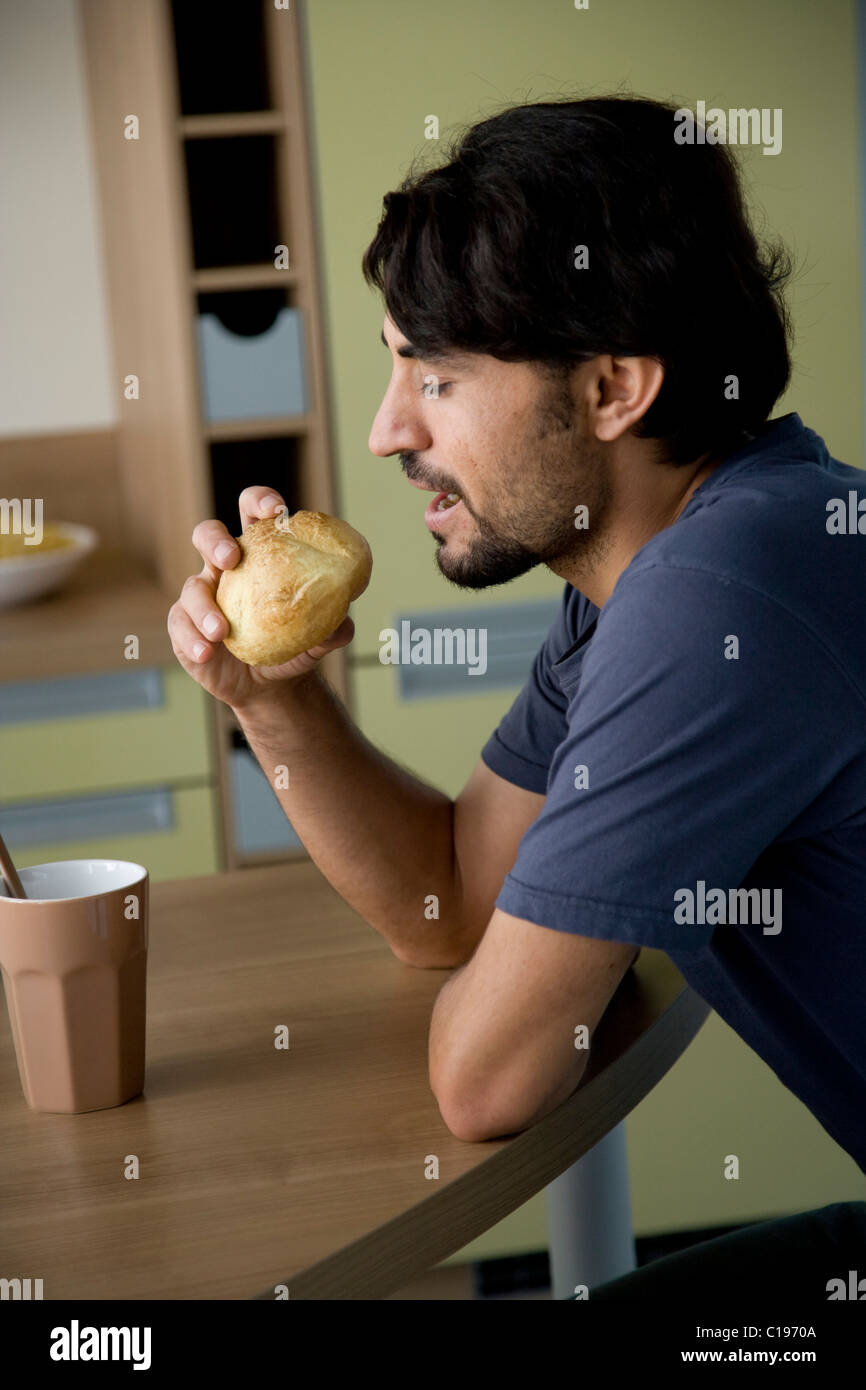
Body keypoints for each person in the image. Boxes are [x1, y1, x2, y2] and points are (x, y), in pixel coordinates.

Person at [168, 95, 866, 1300]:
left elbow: (485, 1082)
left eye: (434, 378)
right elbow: (448, 905)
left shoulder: (713, 601)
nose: (388, 432)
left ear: (610, 391)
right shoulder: (651, 570)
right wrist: (269, 698)